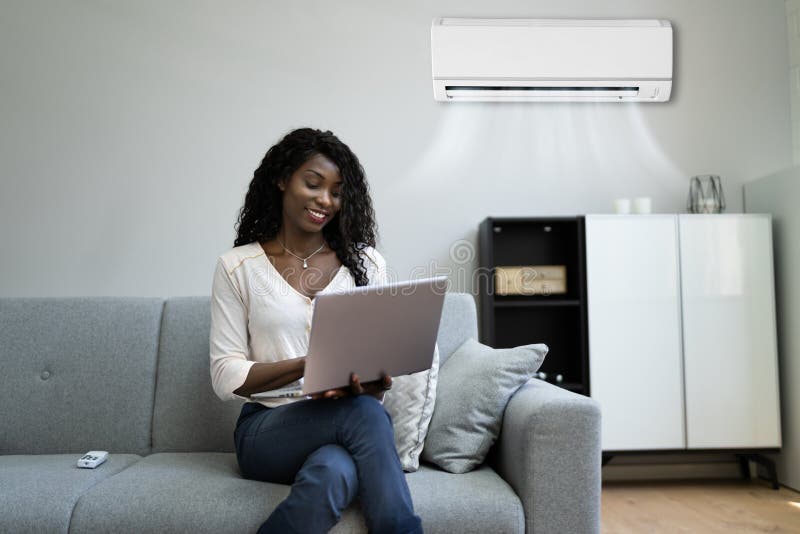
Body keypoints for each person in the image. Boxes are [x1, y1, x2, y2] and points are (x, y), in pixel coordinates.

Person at [209, 128, 423, 534]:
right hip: (267, 430)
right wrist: (310, 365)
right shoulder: (237, 267)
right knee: (362, 415)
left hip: (344, 420)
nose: (326, 200)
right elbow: (224, 376)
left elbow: (371, 390)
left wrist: (370, 381)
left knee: (335, 469)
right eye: (313, 184)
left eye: (337, 192)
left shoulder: (366, 263)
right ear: (281, 179)